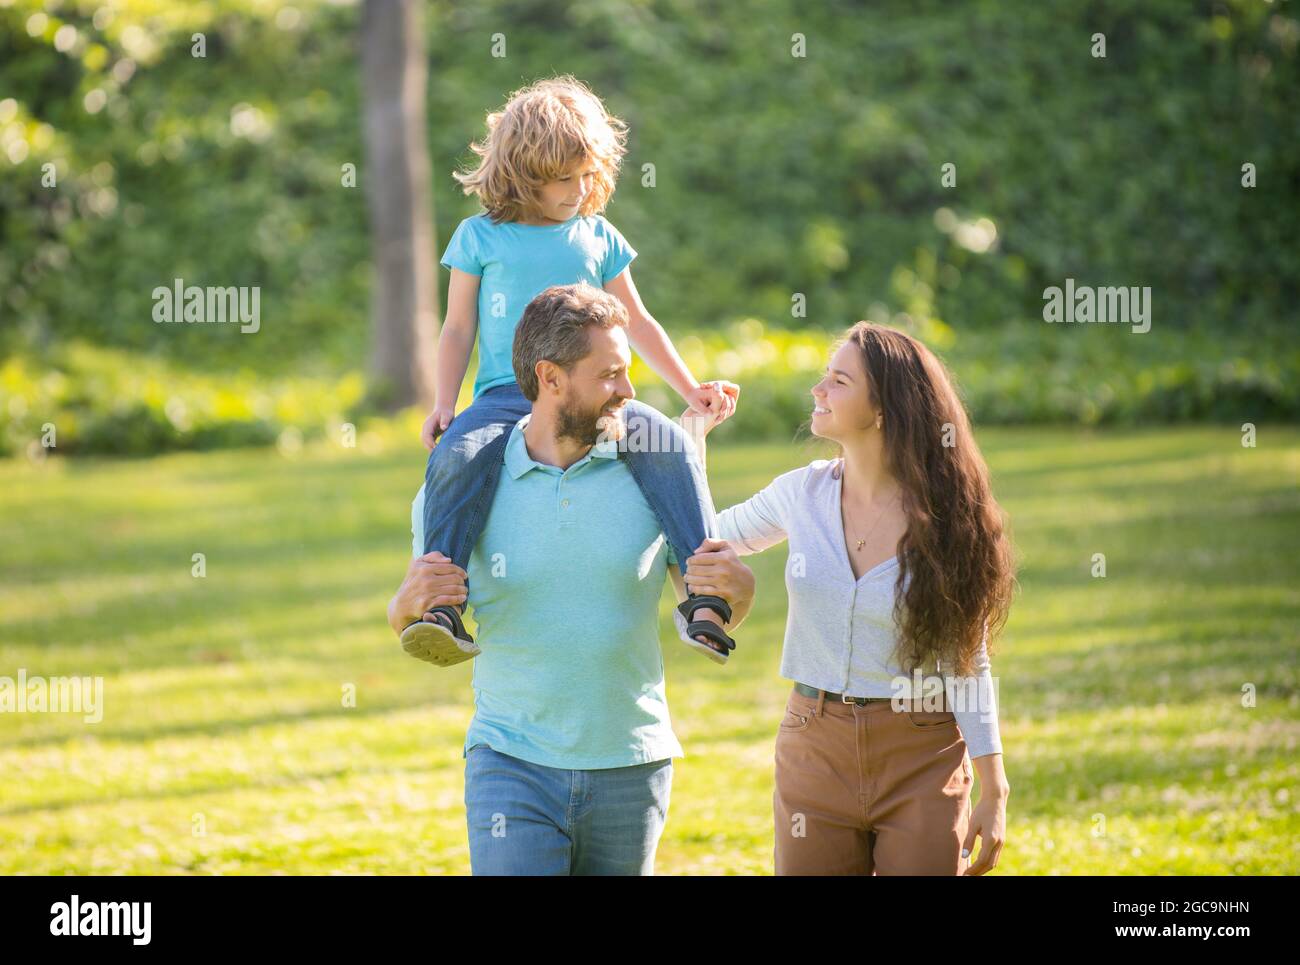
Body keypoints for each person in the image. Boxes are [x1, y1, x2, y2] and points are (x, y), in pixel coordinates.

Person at [387, 283, 756, 875]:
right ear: (551, 378)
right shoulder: (466, 484)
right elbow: (410, 616)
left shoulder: (653, 471)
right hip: (511, 762)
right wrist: (404, 606)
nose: (629, 391)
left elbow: (707, 595)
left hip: (632, 763)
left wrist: (738, 595)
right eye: (609, 374)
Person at [405, 74, 740, 669]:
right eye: (564, 179)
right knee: (456, 456)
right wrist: (443, 403)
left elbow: (637, 321)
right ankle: (441, 606)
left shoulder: (598, 236)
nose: (579, 190)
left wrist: (691, 389)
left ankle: (703, 594)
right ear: (521, 172)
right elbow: (457, 328)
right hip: (507, 397)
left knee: (668, 443)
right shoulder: (478, 236)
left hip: (600, 398)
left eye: (588, 175)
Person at [683, 321, 1015, 875]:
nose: (818, 390)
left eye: (838, 380)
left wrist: (993, 784)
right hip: (813, 747)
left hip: (921, 752)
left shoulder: (948, 517)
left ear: (884, 408)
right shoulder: (801, 492)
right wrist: (692, 438)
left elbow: (966, 658)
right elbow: (701, 538)